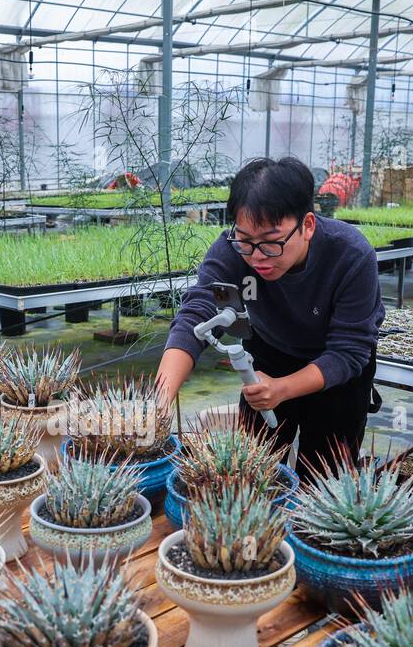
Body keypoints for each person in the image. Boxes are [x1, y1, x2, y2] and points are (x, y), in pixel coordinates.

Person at [156, 156, 385, 476]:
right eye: (246, 241)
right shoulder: (231, 250)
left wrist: (283, 388)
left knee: (324, 480)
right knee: (253, 472)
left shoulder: (350, 255)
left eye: (272, 243)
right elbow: (198, 313)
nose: (258, 257)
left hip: (337, 376)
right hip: (269, 358)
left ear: (307, 225)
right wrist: (160, 400)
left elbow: (349, 351)